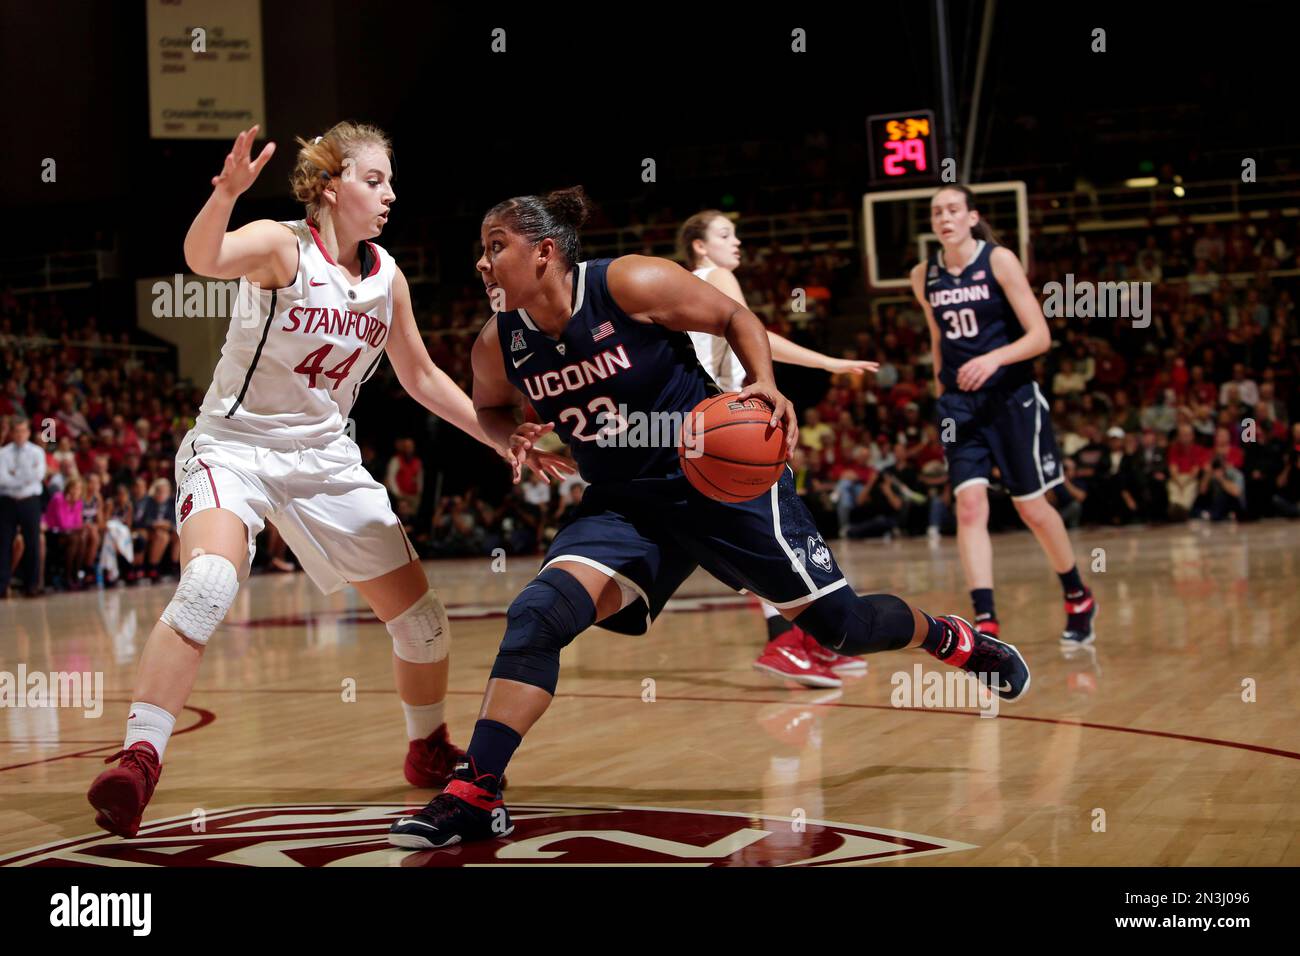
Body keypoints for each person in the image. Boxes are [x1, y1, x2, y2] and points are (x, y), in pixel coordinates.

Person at [387, 187, 1031, 849]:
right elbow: (490, 406)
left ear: (545, 251)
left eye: (496, 248)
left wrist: (764, 383)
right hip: (625, 506)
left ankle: (949, 637)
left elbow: (734, 318)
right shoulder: (500, 341)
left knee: (845, 628)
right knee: (536, 615)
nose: (483, 265)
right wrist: (510, 434)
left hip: (720, 484)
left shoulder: (630, 281)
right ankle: (476, 792)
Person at [86, 123, 570, 839]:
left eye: (391, 181)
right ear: (330, 186)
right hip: (235, 447)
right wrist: (224, 194)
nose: (390, 194)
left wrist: (499, 434)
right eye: (375, 180)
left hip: (326, 463)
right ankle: (139, 758)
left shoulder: (387, 277)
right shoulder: (282, 246)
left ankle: (426, 744)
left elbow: (422, 377)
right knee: (208, 585)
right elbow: (204, 256)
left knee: (424, 624)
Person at [677, 209, 878, 687]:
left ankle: (813, 641)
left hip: (703, 423)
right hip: (723, 422)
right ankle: (787, 645)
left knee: (769, 536)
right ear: (701, 247)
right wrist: (828, 362)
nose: (738, 241)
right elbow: (756, 338)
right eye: (726, 234)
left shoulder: (683, 287)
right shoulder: (717, 276)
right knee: (769, 539)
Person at [909, 185, 1098, 648]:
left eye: (953, 210)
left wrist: (994, 359)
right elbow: (937, 339)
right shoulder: (923, 275)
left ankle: (1077, 594)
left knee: (1032, 508)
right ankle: (986, 618)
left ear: (972, 217)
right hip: (959, 404)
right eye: (937, 212)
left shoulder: (999, 260)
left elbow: (1040, 336)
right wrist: (942, 393)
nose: (944, 218)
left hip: (1010, 398)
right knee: (970, 506)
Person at [0, 418, 46, 598]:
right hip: (7, 502)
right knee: (4, 543)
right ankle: (2, 585)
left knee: (33, 543)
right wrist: (23, 478)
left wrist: (15, 476)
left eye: (23, 431)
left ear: (28, 433)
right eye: (16, 431)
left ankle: (32, 585)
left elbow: (38, 476)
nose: (19, 435)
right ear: (11, 433)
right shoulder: (3, 453)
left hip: (30, 501)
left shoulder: (37, 452)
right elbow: (2, 479)